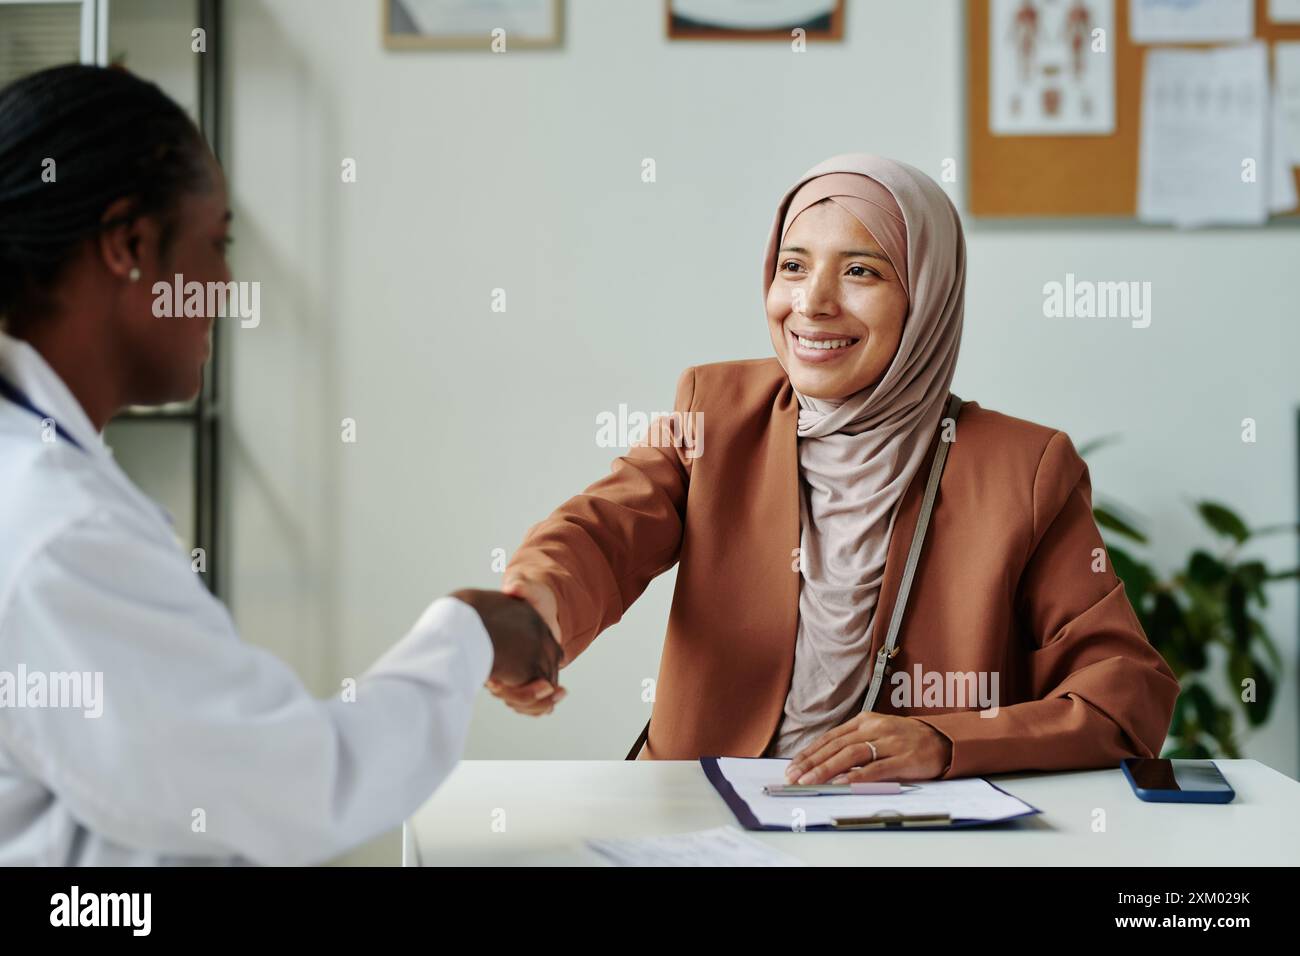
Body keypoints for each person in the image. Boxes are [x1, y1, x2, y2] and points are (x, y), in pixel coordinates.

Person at [0, 64, 558, 866]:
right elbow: (298, 789)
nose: (226, 287)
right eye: (216, 243)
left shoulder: (41, 477)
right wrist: (467, 631)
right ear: (129, 244)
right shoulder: (59, 530)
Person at [492, 153, 1180, 785]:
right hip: (705, 816)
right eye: (793, 266)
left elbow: (1122, 695)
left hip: (912, 836)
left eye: (861, 271)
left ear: (926, 298)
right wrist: (536, 605)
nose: (812, 303)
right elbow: (604, 533)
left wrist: (947, 742)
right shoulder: (717, 411)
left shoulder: (1024, 468)